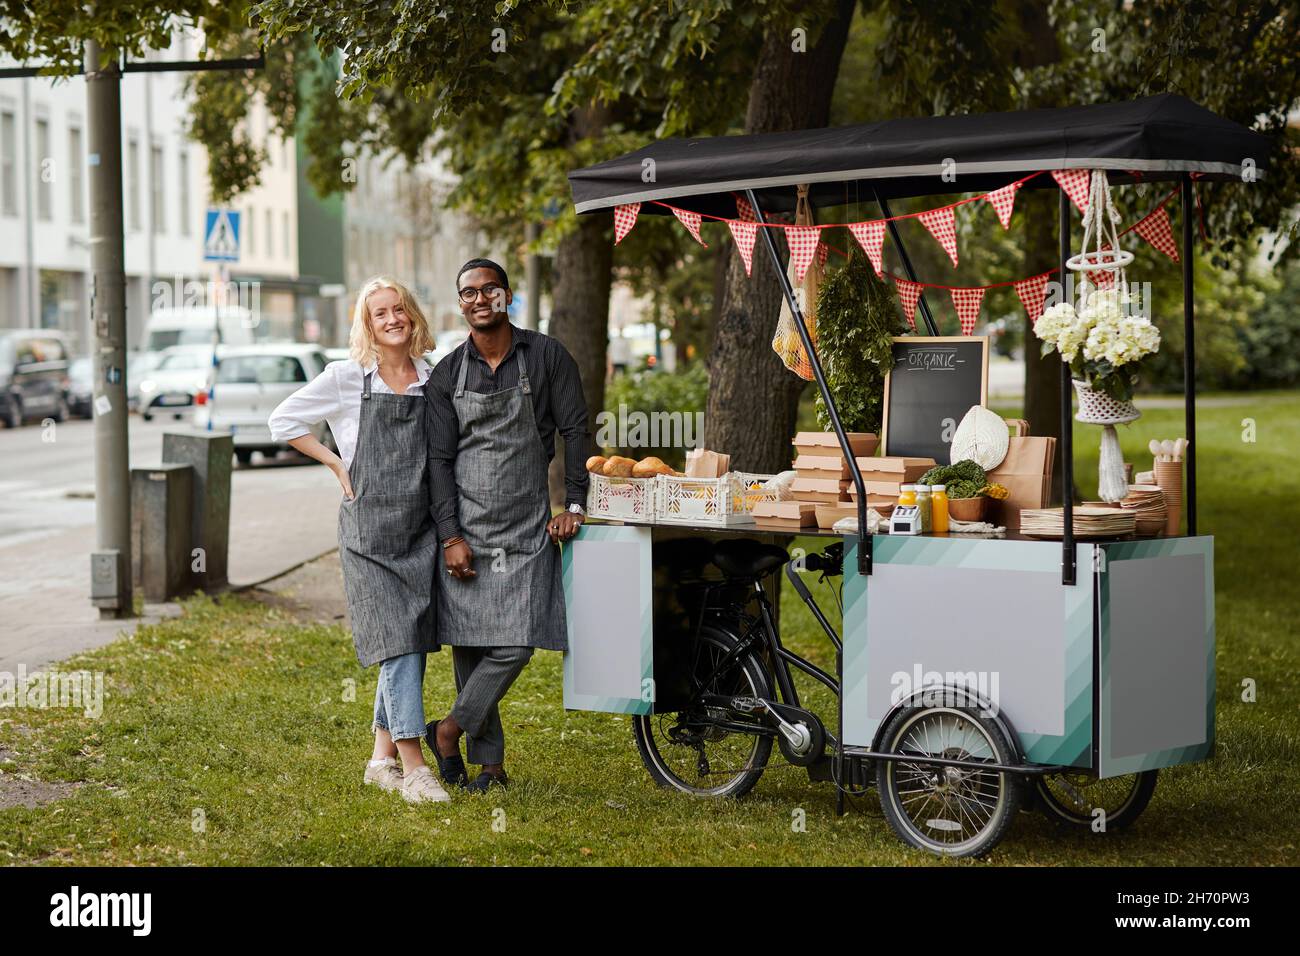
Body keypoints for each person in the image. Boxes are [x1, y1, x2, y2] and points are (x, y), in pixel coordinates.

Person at [268, 276, 450, 804]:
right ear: (366, 325)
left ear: (412, 315)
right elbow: (283, 420)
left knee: (407, 643)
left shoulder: (431, 377)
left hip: (419, 531)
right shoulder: (347, 378)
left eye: (398, 309)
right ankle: (415, 768)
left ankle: (379, 759)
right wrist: (334, 462)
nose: (392, 319)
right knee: (398, 643)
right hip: (368, 534)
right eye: (379, 313)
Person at [425, 258, 589, 793]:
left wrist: (575, 503)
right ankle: (490, 768)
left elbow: (575, 429)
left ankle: (448, 731)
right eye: (467, 292)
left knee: (515, 643)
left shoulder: (545, 357)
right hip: (468, 529)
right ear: (461, 303)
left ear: (506, 296)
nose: (477, 299)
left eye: (487, 289)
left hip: (527, 528)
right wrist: (450, 536)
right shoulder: (448, 373)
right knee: (471, 646)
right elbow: (438, 461)